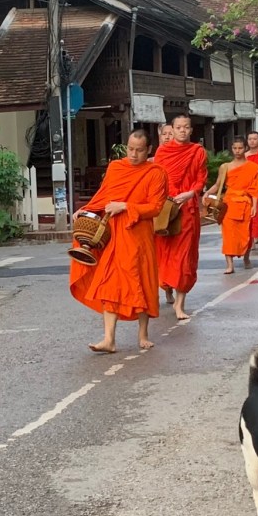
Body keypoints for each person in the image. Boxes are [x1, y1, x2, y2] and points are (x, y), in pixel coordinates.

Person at [70, 128, 168, 354]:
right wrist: (85, 210)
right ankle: (109, 338)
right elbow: (104, 195)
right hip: (113, 233)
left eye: (139, 151)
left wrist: (126, 206)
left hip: (138, 234)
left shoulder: (156, 173)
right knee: (109, 283)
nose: (133, 155)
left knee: (141, 280)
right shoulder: (116, 167)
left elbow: (155, 207)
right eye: (130, 149)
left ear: (149, 150)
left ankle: (143, 334)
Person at [153, 113, 208, 320]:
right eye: (179, 127)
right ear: (172, 130)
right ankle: (167, 286)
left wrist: (191, 193)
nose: (183, 130)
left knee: (184, 257)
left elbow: (201, 178)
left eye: (186, 127)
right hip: (167, 208)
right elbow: (157, 179)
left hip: (187, 209)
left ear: (191, 130)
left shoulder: (197, 152)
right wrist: (168, 198)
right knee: (165, 252)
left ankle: (179, 303)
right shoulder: (162, 152)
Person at [204, 138, 258, 274]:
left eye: (240, 148)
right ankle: (229, 265)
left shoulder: (252, 168)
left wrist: (254, 205)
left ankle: (246, 258)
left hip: (245, 204)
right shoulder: (225, 167)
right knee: (228, 235)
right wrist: (207, 192)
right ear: (232, 148)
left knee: (245, 234)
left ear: (245, 148)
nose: (237, 151)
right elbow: (218, 185)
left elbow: (255, 189)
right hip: (229, 205)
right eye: (235, 148)